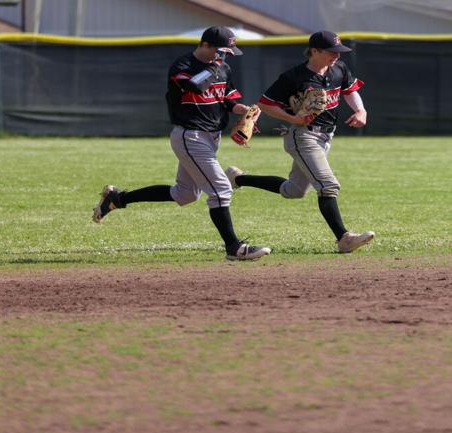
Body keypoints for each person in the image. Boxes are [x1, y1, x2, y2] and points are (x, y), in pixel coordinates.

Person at [91, 25, 270, 262]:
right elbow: (194, 86)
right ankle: (234, 248)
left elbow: (228, 100)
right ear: (205, 45)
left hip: (211, 136)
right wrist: (214, 68)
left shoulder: (222, 68)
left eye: (227, 52)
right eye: (220, 50)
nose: (223, 56)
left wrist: (243, 110)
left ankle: (117, 199)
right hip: (190, 136)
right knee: (221, 190)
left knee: (185, 194)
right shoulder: (183, 66)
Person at [226, 31, 375, 254]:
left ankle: (238, 178)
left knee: (294, 190)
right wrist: (292, 118)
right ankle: (344, 238)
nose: (336, 56)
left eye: (339, 51)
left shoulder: (339, 69)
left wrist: (361, 110)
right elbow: (266, 104)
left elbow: (350, 90)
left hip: (326, 136)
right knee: (327, 185)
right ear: (314, 51)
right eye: (331, 52)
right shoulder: (294, 77)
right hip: (303, 135)